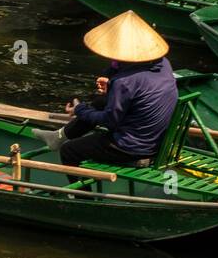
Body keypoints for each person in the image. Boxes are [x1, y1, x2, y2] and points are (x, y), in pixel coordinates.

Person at [31, 10, 178, 169]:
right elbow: (139, 88)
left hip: (131, 148)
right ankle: (59, 136)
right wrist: (112, 86)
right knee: (101, 100)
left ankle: (80, 194)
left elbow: (110, 121)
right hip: (154, 140)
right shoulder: (164, 64)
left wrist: (80, 110)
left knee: (69, 150)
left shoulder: (125, 82)